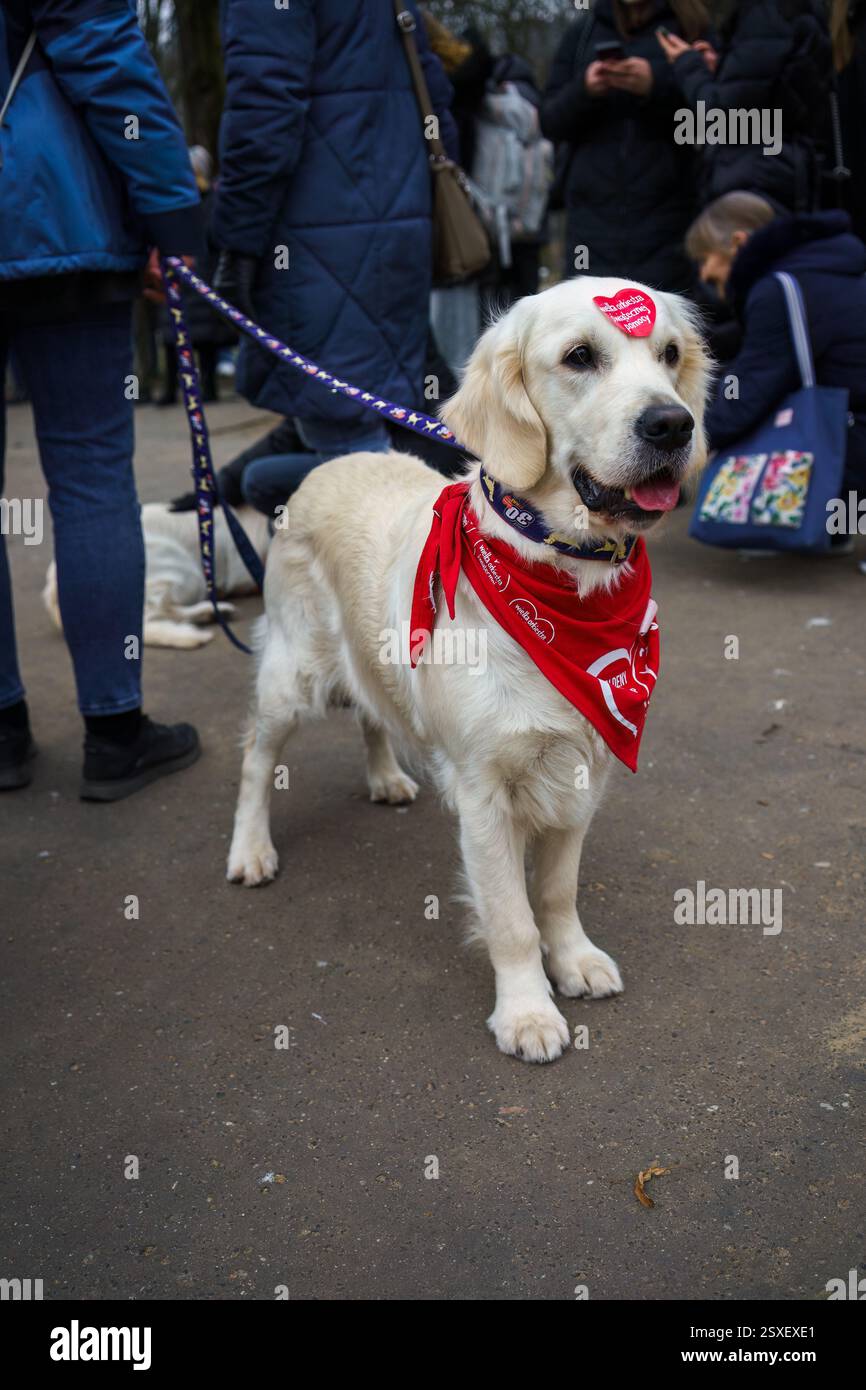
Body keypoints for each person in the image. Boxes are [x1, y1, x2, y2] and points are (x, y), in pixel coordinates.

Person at [0, 0, 203, 798]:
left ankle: (4, 732)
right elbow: (106, 59)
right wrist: (176, 223)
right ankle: (115, 733)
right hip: (54, 222)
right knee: (90, 480)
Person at [210, 0, 458, 517]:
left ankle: (399, 587)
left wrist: (236, 240)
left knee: (352, 455)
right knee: (353, 434)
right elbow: (434, 96)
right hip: (389, 227)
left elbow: (264, 108)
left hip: (315, 239)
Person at [685, 190, 866, 518]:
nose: (704, 273)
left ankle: (823, 515)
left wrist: (683, 444)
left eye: (705, 257)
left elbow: (749, 392)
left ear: (738, 242)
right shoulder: (820, 268)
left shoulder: (778, 290)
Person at [541, 0, 711, 290]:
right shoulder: (584, 31)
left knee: (660, 321)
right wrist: (584, 91)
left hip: (670, 217)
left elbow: (716, 117)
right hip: (591, 220)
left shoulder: (690, 29)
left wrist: (654, 86)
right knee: (591, 318)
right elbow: (549, 120)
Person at [657, 0, 832, 213]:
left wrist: (686, 64)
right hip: (773, 171)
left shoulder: (766, 15)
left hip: (755, 179)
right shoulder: (785, 11)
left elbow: (727, 116)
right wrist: (721, 68)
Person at [157, 146, 234, 406]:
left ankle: (208, 388)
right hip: (180, 276)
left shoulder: (211, 203)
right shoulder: (176, 202)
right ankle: (173, 388)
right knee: (173, 337)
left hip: (202, 276)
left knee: (205, 339)